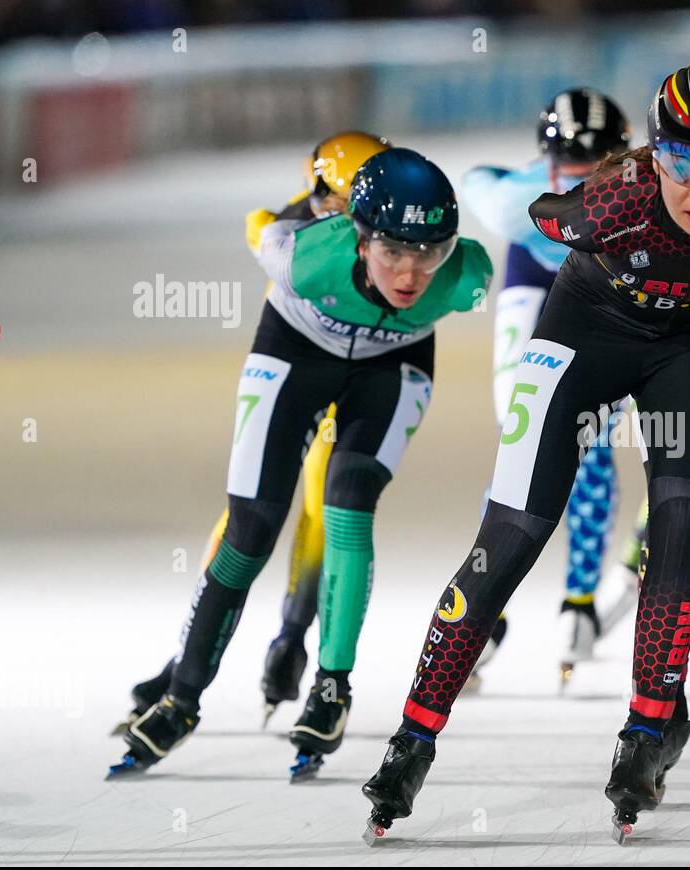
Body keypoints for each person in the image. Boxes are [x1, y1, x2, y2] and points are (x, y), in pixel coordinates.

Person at [359, 59, 690, 843]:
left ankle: (663, 717)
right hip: (592, 325)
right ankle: (411, 740)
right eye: (681, 161)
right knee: (511, 534)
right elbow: (535, 206)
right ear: (653, 152)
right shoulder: (601, 207)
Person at [108, 148, 493, 781]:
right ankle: (183, 694)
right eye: (393, 250)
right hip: (296, 350)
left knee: (349, 501)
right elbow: (260, 223)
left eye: (429, 253)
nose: (411, 272)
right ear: (358, 235)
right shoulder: (303, 258)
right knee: (252, 525)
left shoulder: (465, 275)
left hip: (390, 369)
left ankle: (332, 684)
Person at [114, 132, 393, 733]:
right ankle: (196, 651)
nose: (359, 223)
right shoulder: (290, 226)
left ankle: (292, 635)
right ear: (321, 194)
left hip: (355, 375)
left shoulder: (354, 216)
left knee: (326, 503)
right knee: (247, 519)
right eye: (345, 207)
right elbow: (262, 229)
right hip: (303, 369)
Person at [458, 88, 633, 689]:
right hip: (537, 276)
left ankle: (575, 602)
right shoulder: (516, 202)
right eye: (570, 173)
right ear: (548, 166)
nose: (583, 183)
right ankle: (495, 607)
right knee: (523, 437)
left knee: (592, 440)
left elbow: (478, 174)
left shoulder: (641, 187)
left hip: (603, 285)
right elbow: (477, 178)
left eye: (597, 172)